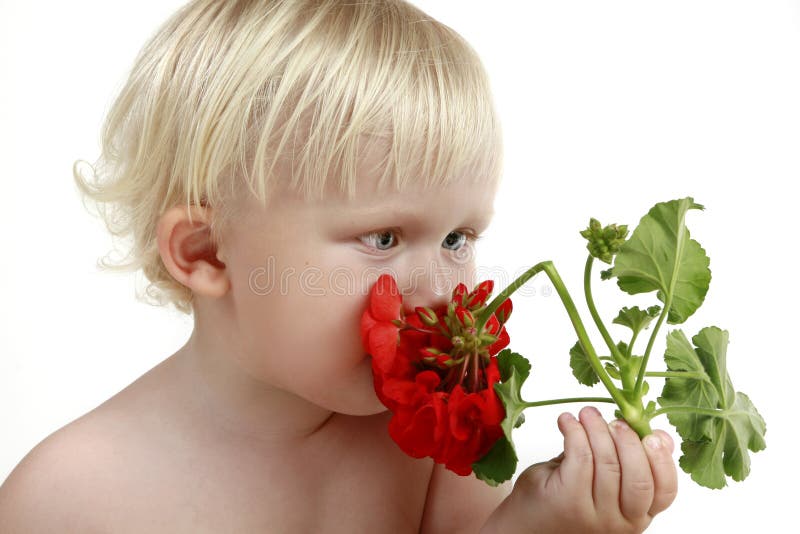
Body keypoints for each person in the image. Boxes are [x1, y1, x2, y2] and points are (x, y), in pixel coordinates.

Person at [0, 0, 677, 531]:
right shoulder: (69, 499)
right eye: (383, 238)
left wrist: (543, 527)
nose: (441, 292)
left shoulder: (432, 456)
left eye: (457, 237)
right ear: (206, 252)